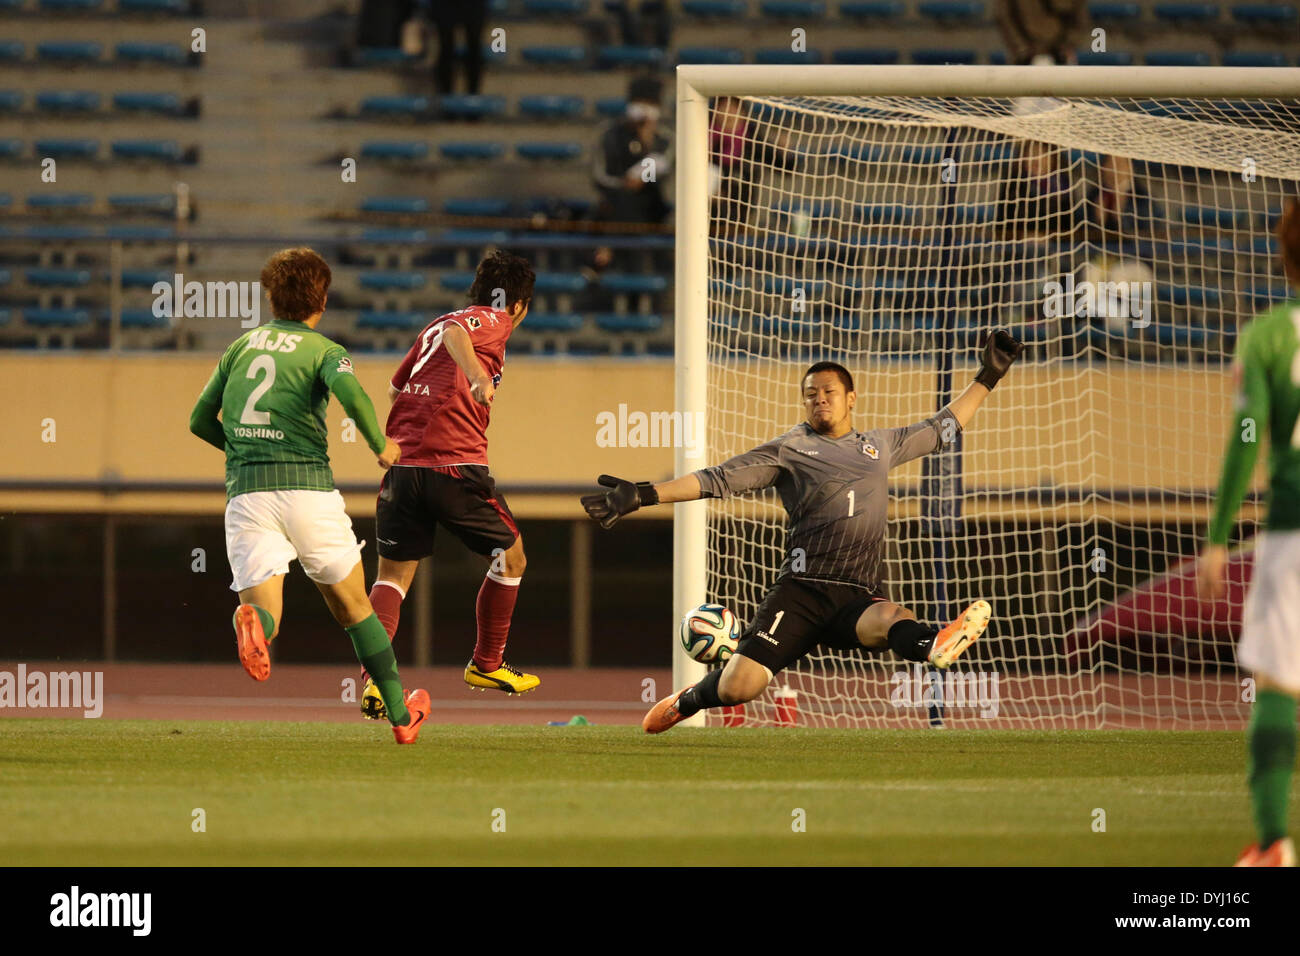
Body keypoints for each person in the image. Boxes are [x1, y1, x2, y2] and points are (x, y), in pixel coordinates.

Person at [581, 331, 1025, 732]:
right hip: (800, 594)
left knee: (892, 618)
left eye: (829, 392)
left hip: (857, 594)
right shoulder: (791, 450)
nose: (820, 401)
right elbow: (719, 479)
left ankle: (936, 643)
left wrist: (988, 376)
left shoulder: (880, 447)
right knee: (740, 688)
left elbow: (941, 429)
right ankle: (688, 700)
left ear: (852, 398)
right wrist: (644, 493)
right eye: (811, 395)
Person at [188, 248, 429, 745]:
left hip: (247, 493)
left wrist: (242, 452)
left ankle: (253, 622)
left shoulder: (239, 348)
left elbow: (197, 420)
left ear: (271, 297)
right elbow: (354, 396)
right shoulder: (324, 350)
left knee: (267, 612)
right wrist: (382, 446)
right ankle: (402, 718)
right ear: (322, 298)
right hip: (307, 489)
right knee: (355, 609)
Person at [358, 250, 540, 720]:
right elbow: (463, 336)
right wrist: (477, 376)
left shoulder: (432, 327)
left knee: (392, 579)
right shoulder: (491, 319)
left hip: (402, 468)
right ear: (518, 304)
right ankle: (487, 663)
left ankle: (376, 685)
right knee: (512, 557)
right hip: (453, 466)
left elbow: (397, 389)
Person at [1197, 199, 1300, 868]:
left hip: (1294, 527)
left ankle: (1272, 843)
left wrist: (1217, 534)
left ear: (1286, 254)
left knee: (1278, 686)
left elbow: (1247, 436)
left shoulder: (1268, 335)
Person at [592, 76, 672, 226]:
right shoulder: (609, 134)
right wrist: (624, 183)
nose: (644, 109)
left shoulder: (665, 139)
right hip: (615, 206)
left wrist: (648, 142)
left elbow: (664, 172)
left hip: (652, 210)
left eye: (650, 104)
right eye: (639, 102)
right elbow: (599, 176)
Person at [430, 0, 488, 96]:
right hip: (444, 5)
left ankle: (473, 96)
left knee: (475, 48)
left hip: (473, 5)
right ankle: (445, 96)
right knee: (445, 47)